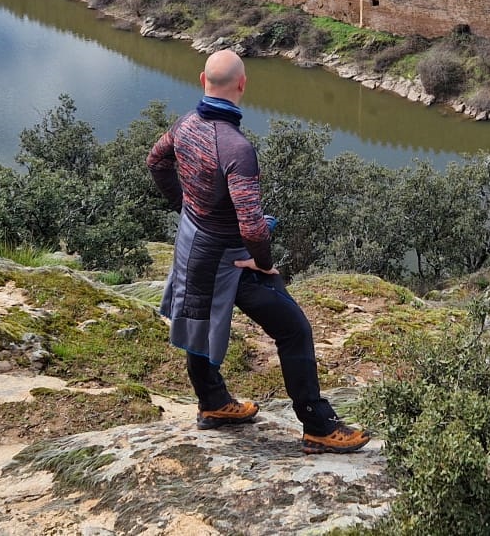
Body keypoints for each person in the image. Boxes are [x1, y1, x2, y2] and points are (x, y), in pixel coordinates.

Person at [147, 48, 370, 455]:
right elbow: (251, 225)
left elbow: (155, 161)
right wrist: (262, 263)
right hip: (229, 257)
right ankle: (318, 425)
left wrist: (187, 207)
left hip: (193, 244)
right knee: (294, 329)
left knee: (198, 324)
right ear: (243, 85)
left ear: (203, 80)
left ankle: (213, 403)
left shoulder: (185, 125)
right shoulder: (235, 147)